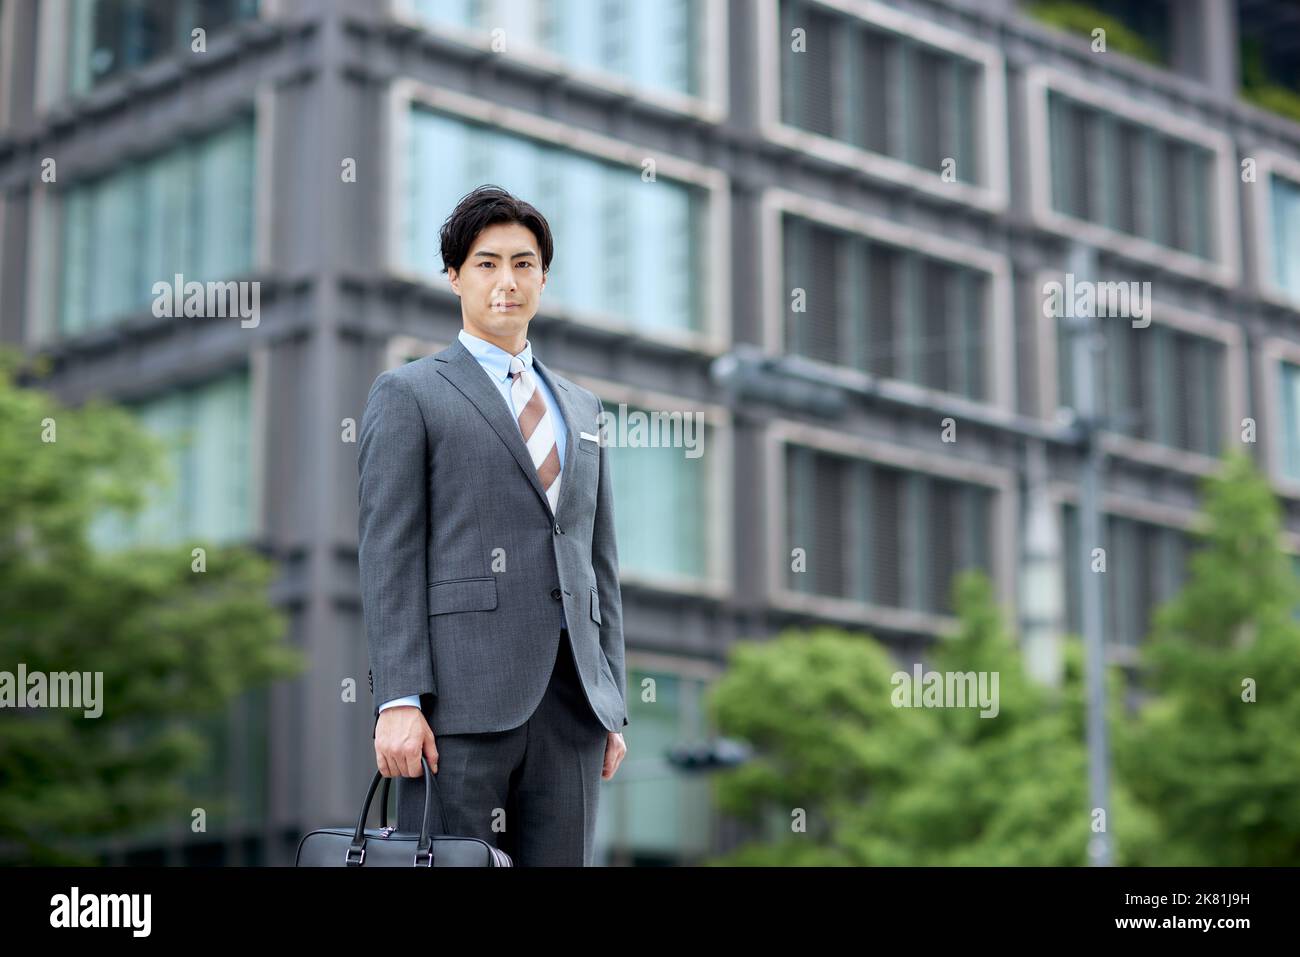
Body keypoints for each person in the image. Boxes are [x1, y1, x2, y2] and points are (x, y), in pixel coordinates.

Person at [357, 184, 628, 866]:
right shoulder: (410, 392)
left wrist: (611, 700)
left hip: (571, 708)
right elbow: (389, 552)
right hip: (458, 709)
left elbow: (600, 564)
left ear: (543, 276)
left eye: (523, 263)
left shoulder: (584, 408)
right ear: (454, 275)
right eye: (486, 263)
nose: (506, 280)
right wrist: (397, 698)